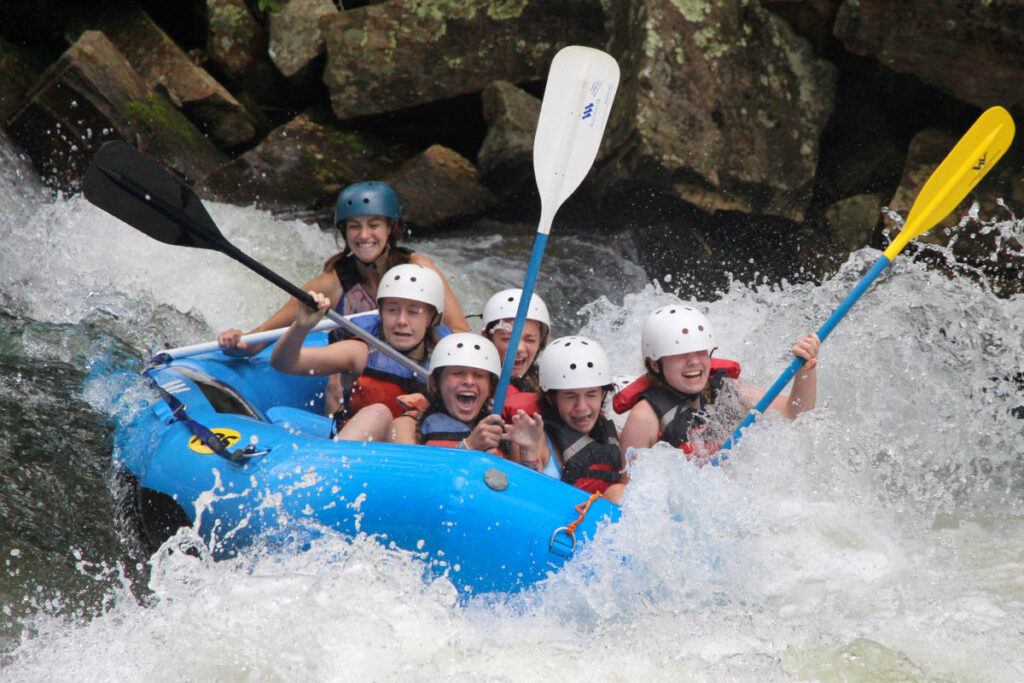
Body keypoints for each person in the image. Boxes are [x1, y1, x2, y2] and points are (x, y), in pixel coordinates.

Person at [218, 181, 469, 413]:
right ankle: (337, 429)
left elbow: (460, 332)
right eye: (354, 226)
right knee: (336, 378)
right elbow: (260, 339)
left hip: (417, 372)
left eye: (373, 225)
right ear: (344, 232)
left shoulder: (419, 271)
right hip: (358, 386)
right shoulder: (332, 283)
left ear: (390, 228)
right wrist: (236, 342)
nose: (364, 235)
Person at [271, 263, 451, 443]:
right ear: (381, 313)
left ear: (432, 318)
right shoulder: (361, 352)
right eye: (392, 310)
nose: (401, 321)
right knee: (378, 413)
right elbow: (284, 363)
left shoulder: (450, 362)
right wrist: (301, 326)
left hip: (414, 452)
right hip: (358, 450)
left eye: (413, 312)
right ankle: (332, 458)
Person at [616, 305, 819, 460]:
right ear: (655, 365)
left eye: (700, 351)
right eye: (680, 354)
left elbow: (794, 414)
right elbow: (631, 492)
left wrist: (806, 369)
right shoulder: (645, 416)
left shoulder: (728, 388)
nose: (693, 361)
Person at [504, 335, 626, 503]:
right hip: (553, 517)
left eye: (591, 394)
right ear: (551, 398)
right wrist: (528, 452)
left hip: (597, 517)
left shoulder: (617, 438)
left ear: (603, 395)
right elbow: (523, 501)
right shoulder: (534, 439)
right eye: (570, 396)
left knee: (619, 493)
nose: (581, 407)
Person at [387, 333, 544, 461]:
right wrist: (467, 447)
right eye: (457, 373)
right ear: (435, 383)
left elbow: (525, 489)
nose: (469, 381)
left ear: (491, 387)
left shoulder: (503, 433)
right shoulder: (406, 426)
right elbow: (410, 481)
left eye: (479, 375)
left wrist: (529, 452)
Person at [480, 289, 550, 393]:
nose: (519, 348)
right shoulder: (471, 383)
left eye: (530, 340)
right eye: (507, 339)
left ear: (541, 342)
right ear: (487, 338)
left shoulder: (550, 389)